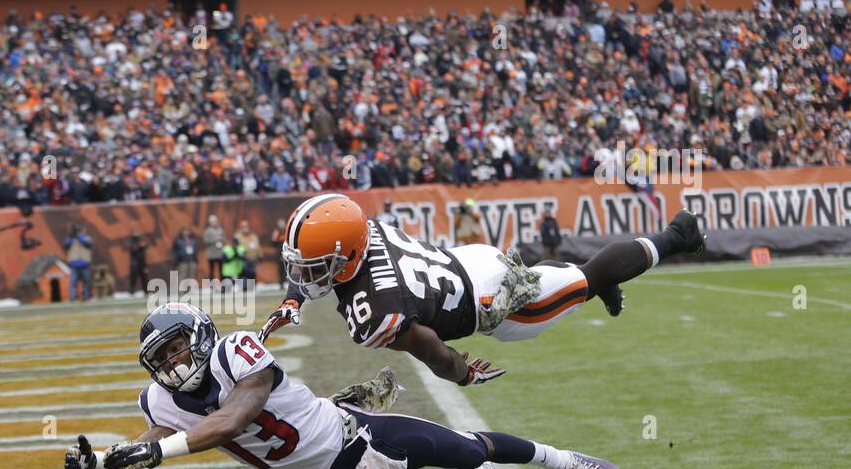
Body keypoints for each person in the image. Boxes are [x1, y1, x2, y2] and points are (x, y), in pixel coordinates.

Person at [64, 303, 625, 469]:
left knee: (465, 445)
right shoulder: (160, 400)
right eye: (162, 359)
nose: (173, 363)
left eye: (178, 347)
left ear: (202, 336)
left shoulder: (238, 351)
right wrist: (104, 461)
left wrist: (154, 451)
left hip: (356, 434)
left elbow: (232, 419)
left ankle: (562, 459)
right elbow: (156, 436)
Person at [261, 193, 706, 386]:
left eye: (318, 267)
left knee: (589, 277)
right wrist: (292, 298)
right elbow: (315, 262)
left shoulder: (376, 311)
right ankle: (587, 283)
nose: (307, 275)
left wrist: (462, 373)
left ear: (347, 256)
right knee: (550, 279)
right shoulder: (366, 228)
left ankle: (676, 235)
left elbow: (431, 348)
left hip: (491, 305)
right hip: (468, 259)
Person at [64, 222, 93, 302]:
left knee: (86, 281)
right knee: (73, 282)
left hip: (85, 263)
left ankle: (86, 297)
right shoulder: (70, 238)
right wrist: (71, 236)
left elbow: (88, 243)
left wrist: (79, 236)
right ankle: (72, 297)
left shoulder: (87, 237)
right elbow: (66, 245)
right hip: (74, 263)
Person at [203, 215, 225, 282]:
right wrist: (215, 239)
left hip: (219, 253)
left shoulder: (220, 229)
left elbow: (224, 239)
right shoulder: (207, 231)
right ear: (209, 222)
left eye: (215, 221)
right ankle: (211, 286)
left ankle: (222, 285)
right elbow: (205, 241)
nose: (214, 222)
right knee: (211, 271)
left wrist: (221, 239)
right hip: (211, 253)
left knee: (221, 270)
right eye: (212, 221)